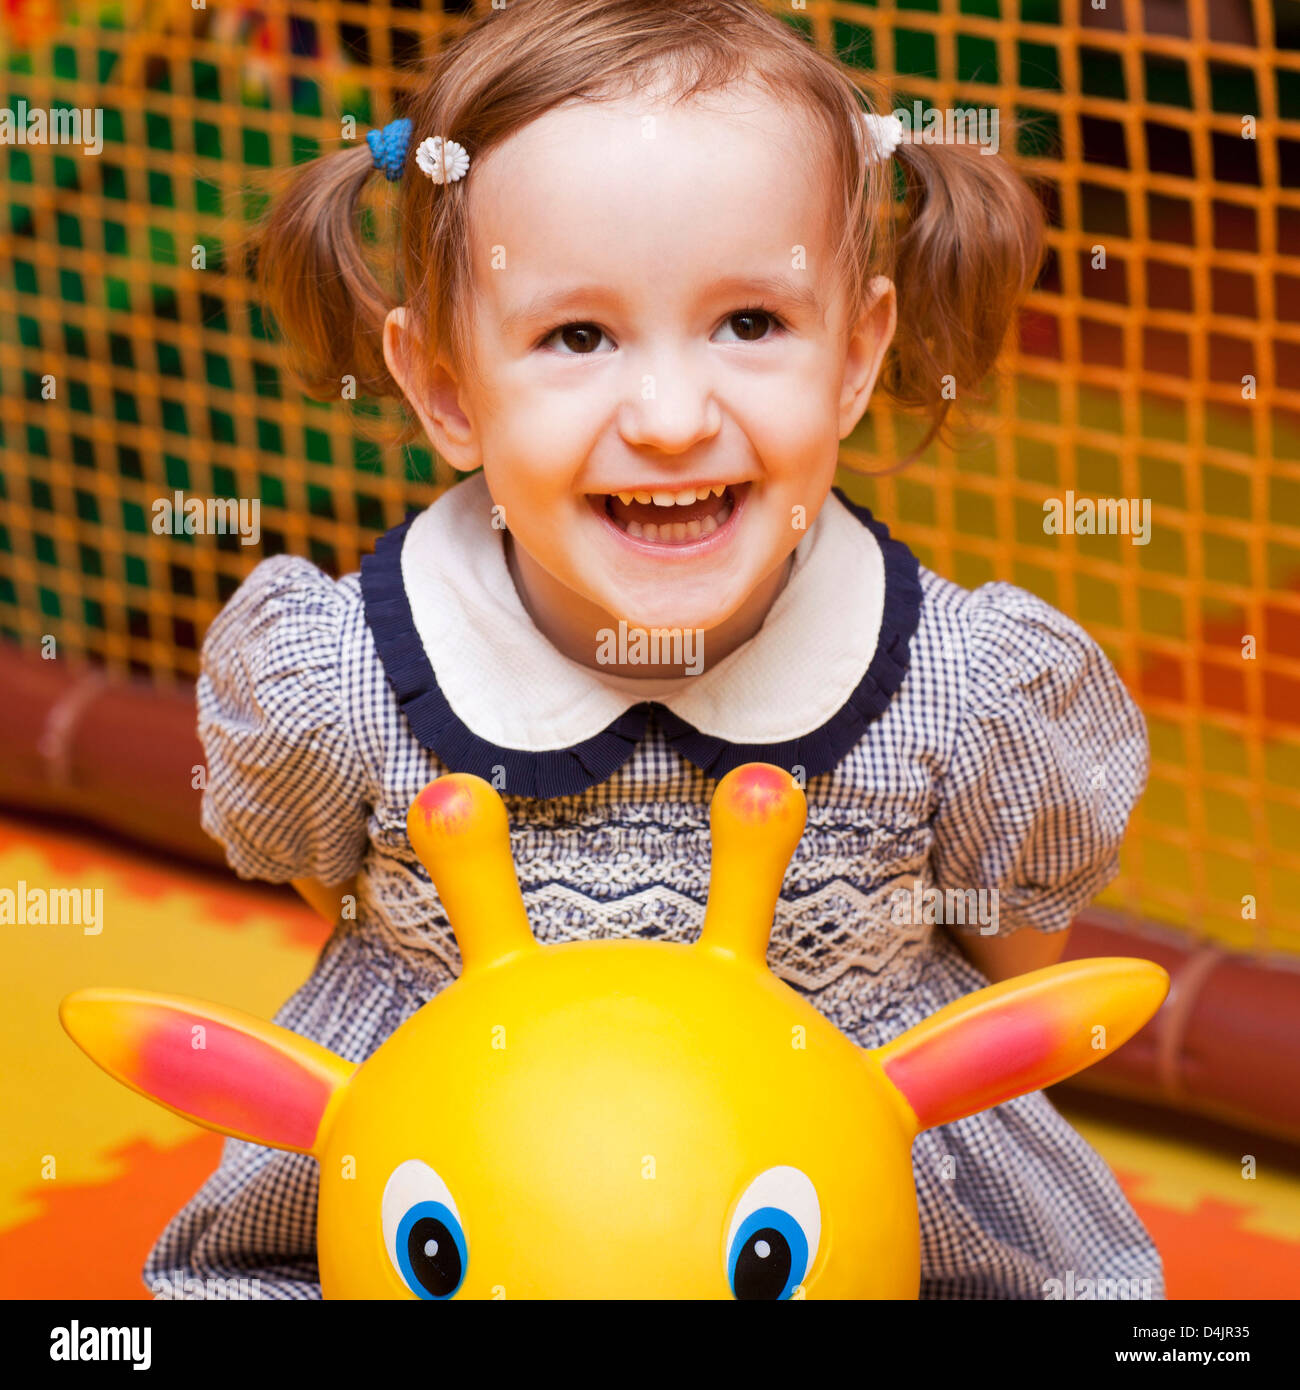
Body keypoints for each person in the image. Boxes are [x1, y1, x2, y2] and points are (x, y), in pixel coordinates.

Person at [146, 0, 1160, 1299]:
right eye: (578, 336)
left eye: (750, 323)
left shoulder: (966, 690)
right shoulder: (343, 678)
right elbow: (331, 893)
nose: (673, 418)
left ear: (857, 350)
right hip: (449, 1211)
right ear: (447, 384)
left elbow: (1020, 985)